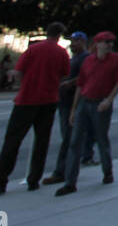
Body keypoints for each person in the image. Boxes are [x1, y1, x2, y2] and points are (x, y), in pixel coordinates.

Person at [0, 23, 71, 193]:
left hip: (26, 100)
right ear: (59, 35)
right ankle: (34, 179)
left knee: (13, 140)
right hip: (49, 100)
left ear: (47, 33)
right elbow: (64, 74)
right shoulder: (61, 53)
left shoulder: (32, 50)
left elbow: (18, 72)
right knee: (41, 141)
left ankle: (2, 179)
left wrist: (26, 84)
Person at [55, 31, 118, 196]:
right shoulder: (88, 61)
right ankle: (70, 182)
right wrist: (74, 109)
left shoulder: (115, 60)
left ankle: (107, 171)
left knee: (101, 138)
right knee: (75, 141)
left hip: (101, 103)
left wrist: (108, 100)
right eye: (107, 42)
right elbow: (80, 85)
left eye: (111, 42)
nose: (110, 45)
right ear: (98, 43)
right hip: (85, 102)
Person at [42, 30, 90, 185]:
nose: (72, 43)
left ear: (83, 41)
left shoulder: (85, 58)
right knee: (70, 139)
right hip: (63, 102)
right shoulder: (73, 58)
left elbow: (85, 78)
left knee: (69, 139)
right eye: (71, 40)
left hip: (72, 103)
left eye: (75, 40)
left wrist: (69, 83)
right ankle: (67, 169)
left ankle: (62, 172)